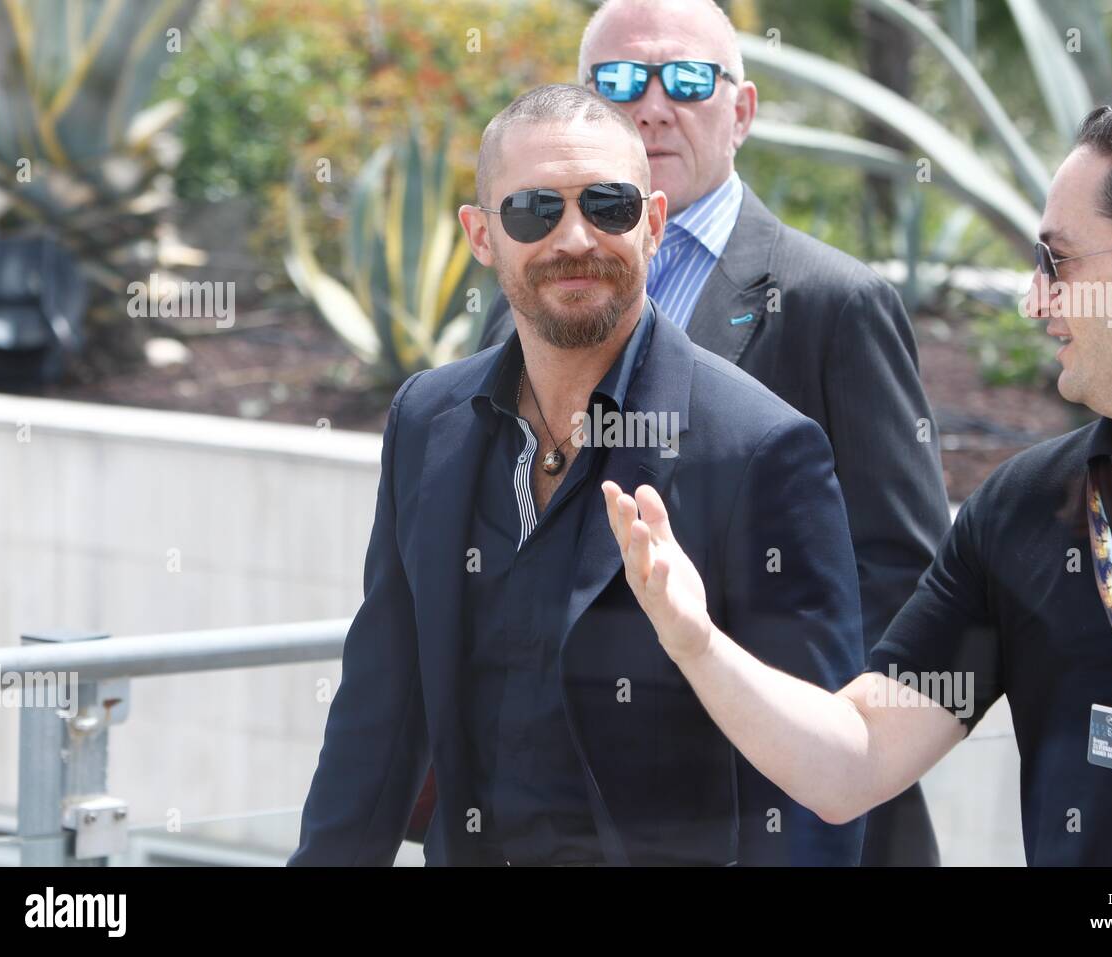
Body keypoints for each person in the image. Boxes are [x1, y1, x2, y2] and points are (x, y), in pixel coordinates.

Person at [603, 101, 1112, 865]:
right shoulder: (1025, 508)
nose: (1035, 300)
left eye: (1059, 263)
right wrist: (698, 641)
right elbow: (855, 757)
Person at [289, 83, 867, 866]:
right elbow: (378, 714)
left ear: (654, 223)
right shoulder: (427, 420)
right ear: (482, 235)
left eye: (608, 206)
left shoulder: (761, 448)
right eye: (534, 210)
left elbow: (814, 780)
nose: (575, 238)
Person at [473, 0, 950, 866]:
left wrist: (772, 721)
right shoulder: (521, 310)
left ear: (743, 111)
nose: (652, 103)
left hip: (764, 815)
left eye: (689, 79)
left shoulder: (832, 305)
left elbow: (903, 576)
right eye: (618, 80)